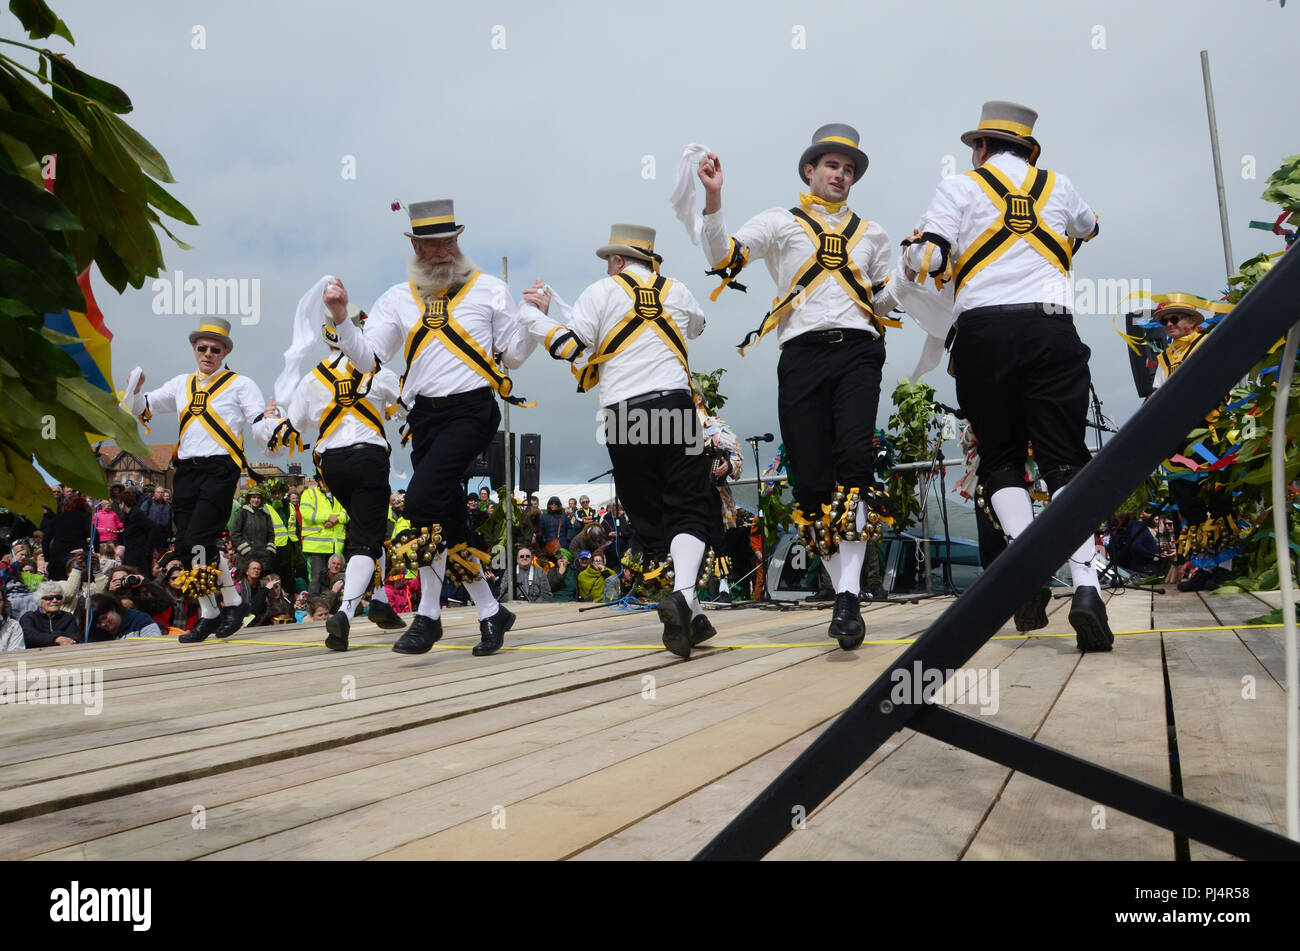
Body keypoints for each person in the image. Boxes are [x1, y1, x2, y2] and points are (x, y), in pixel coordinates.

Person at [900, 101, 1107, 651]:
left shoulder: (960, 186)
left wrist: (909, 253)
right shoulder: (1059, 185)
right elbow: (1090, 227)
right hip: (1051, 328)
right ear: (1029, 149)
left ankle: (1028, 568)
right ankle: (1088, 587)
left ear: (983, 148)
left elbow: (931, 262)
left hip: (984, 335)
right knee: (1065, 458)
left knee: (1000, 458)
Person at [696, 125, 903, 650]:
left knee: (855, 464)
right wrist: (714, 195)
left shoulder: (872, 234)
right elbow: (723, 258)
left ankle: (849, 598)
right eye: (832, 165)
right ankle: (843, 592)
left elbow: (881, 305)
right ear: (809, 171)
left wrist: (908, 279)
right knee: (810, 483)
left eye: (849, 169)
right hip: (802, 354)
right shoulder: (779, 222)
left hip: (859, 350)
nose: (841, 175)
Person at [325, 199, 536, 656]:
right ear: (415, 246)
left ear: (458, 242)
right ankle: (489, 610)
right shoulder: (397, 298)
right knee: (446, 520)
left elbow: (514, 355)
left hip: (473, 410)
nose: (441, 252)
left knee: (420, 502)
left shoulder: (489, 290)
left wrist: (534, 319)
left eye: (449, 242)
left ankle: (428, 616)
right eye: (431, 244)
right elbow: (368, 359)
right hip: (425, 416)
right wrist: (342, 320)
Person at [520, 224, 718, 656]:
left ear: (617, 260)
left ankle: (691, 609)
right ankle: (688, 601)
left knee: (650, 517)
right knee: (686, 505)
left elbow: (575, 347)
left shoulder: (599, 292)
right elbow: (696, 327)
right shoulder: (676, 290)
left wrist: (534, 317)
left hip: (624, 417)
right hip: (673, 405)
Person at [265, 289, 407, 651]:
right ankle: (344, 612)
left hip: (332, 466)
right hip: (368, 458)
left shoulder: (312, 380)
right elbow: (410, 409)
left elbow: (292, 428)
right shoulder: (376, 371)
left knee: (370, 529)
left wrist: (268, 422)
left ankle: (380, 602)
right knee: (365, 539)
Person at [121, 317, 278, 642]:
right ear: (194, 349)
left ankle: (219, 609)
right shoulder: (181, 384)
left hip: (221, 469)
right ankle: (224, 606)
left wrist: (272, 422)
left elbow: (257, 423)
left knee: (198, 539)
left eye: (215, 349)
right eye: (202, 347)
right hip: (187, 470)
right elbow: (142, 407)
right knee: (187, 544)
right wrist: (134, 389)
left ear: (224, 352)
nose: (208, 353)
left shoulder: (241, 384)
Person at [230, 488, 276, 573]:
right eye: (254, 497)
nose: (256, 500)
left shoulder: (265, 515)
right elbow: (235, 534)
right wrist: (247, 551)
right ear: (249, 499)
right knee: (246, 584)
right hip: (246, 558)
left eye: (258, 498)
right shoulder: (242, 512)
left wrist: (269, 551)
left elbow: (271, 534)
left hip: (263, 559)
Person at [20, 581, 79, 647]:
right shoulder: (29, 617)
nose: (54, 600)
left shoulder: (68, 617)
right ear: (40, 600)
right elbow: (30, 637)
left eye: (58, 597)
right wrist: (56, 639)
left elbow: (73, 638)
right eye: (49, 598)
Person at [89, 592, 163, 640]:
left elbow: (156, 646)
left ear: (113, 608)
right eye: (98, 623)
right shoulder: (95, 630)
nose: (103, 624)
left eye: (104, 618)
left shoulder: (142, 621)